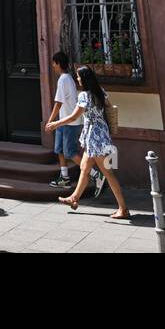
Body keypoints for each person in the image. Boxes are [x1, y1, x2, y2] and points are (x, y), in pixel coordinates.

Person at [45, 65, 129, 219]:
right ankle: (74, 198)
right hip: (101, 133)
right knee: (84, 168)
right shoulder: (100, 92)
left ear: (84, 78)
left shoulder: (84, 95)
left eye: (78, 76)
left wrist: (55, 124)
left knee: (108, 173)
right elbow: (110, 108)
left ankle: (123, 209)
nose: (77, 79)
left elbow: (73, 117)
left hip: (94, 138)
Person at [47, 51, 81, 189]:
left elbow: (58, 102)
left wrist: (50, 121)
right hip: (64, 121)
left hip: (69, 122)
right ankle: (64, 178)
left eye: (54, 63)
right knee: (60, 150)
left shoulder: (63, 79)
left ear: (58, 63)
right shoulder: (68, 79)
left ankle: (95, 174)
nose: (53, 66)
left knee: (70, 152)